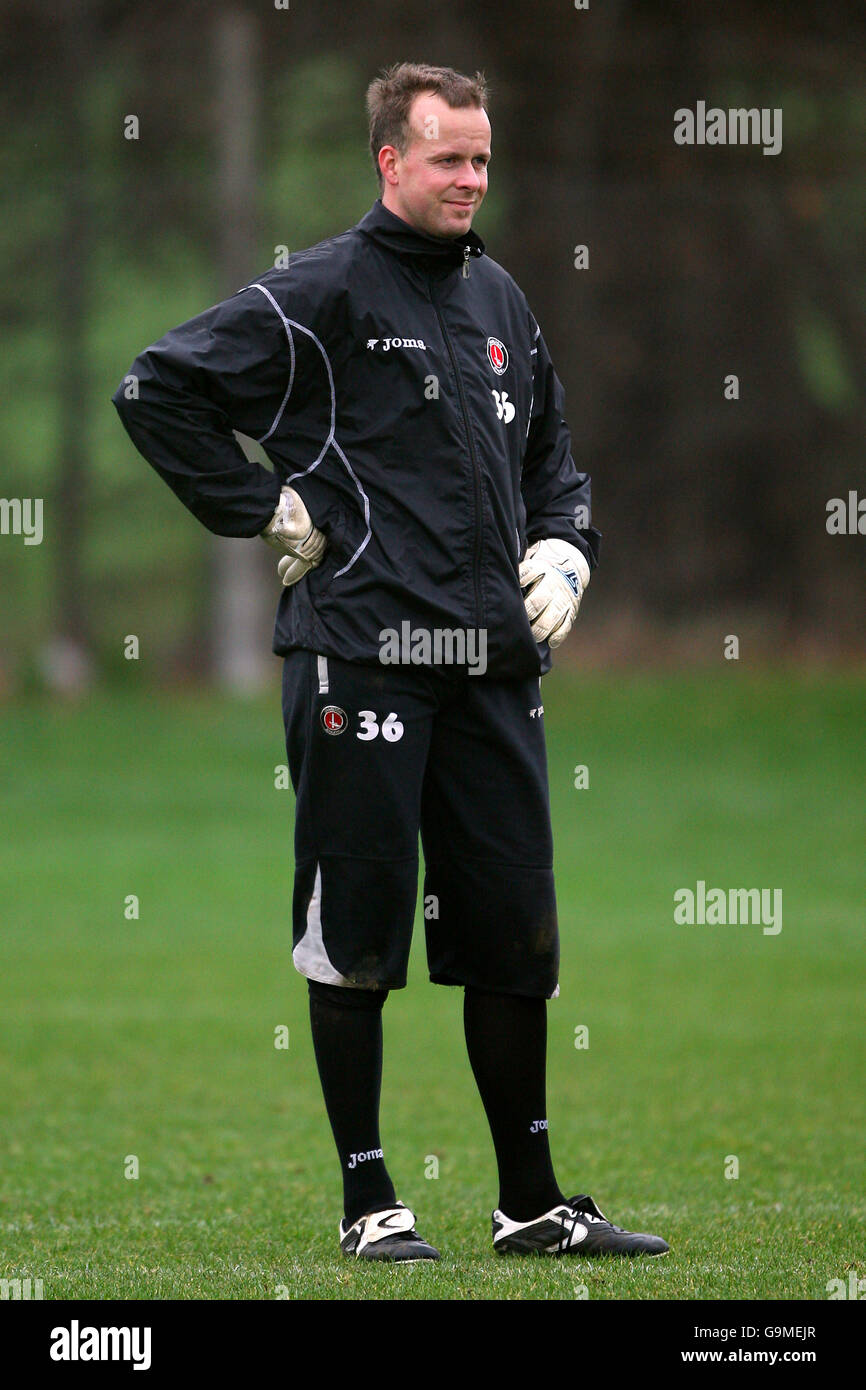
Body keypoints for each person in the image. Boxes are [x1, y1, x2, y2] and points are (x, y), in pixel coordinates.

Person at [112, 61, 668, 1263]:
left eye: (481, 158)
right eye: (447, 157)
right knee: (357, 930)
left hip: (491, 668)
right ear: (389, 161)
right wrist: (260, 507)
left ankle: (531, 1204)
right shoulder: (318, 289)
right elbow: (154, 387)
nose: (470, 178)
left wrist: (567, 550)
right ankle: (370, 1202)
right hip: (358, 657)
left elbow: (554, 464)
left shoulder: (502, 300)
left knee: (514, 934)